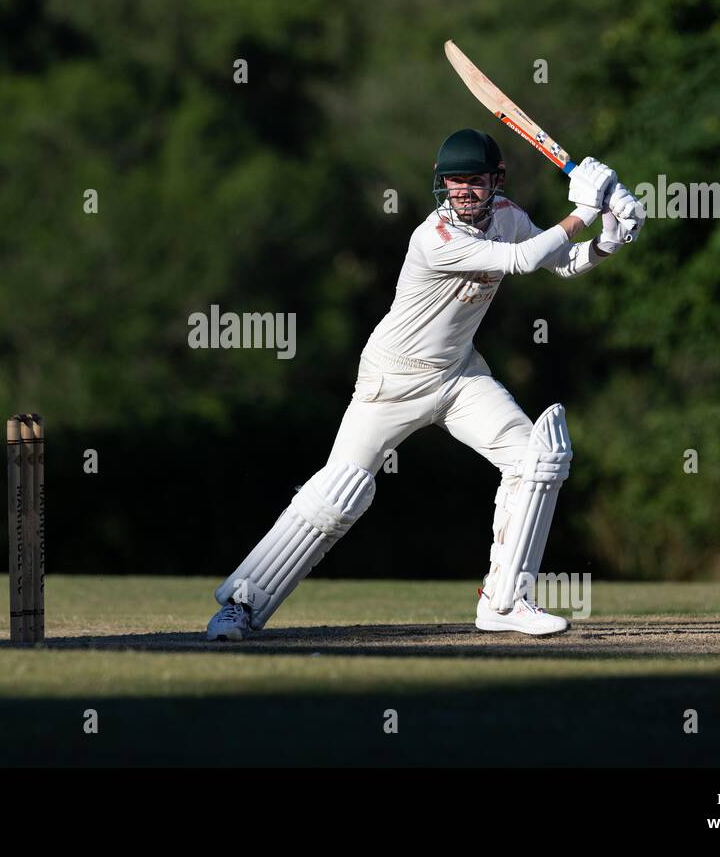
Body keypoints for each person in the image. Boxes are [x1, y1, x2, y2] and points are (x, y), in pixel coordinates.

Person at [206, 129, 645, 640]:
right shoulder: (433, 238)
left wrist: (610, 237)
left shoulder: (506, 217)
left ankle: (504, 603)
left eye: (473, 182)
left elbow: (560, 262)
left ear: (495, 181)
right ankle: (239, 605)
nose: (462, 192)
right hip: (392, 381)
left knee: (536, 460)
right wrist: (586, 210)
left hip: (459, 376)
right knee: (338, 494)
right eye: (453, 182)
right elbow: (520, 261)